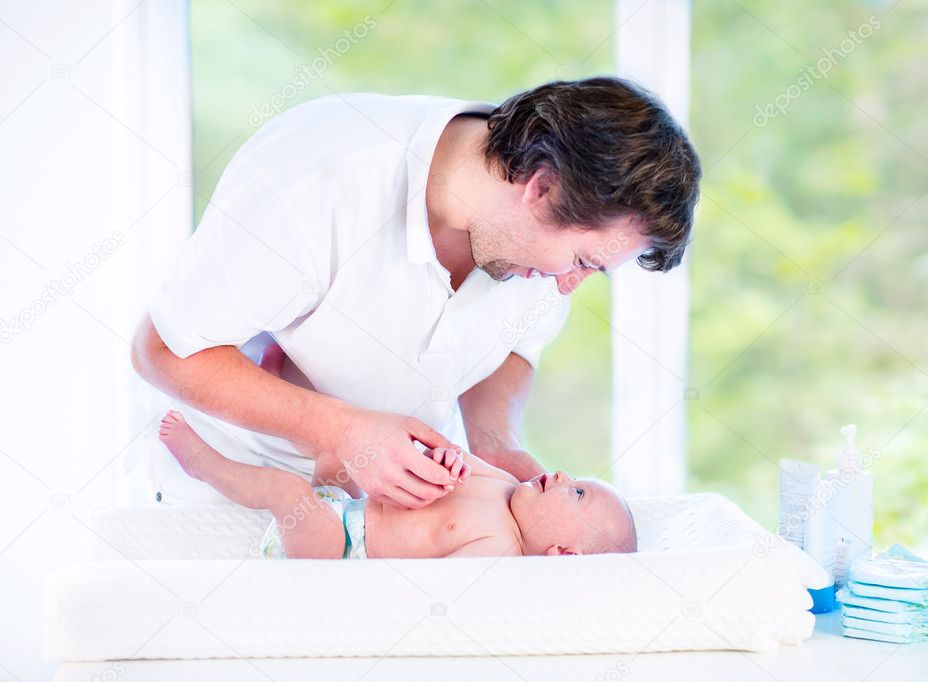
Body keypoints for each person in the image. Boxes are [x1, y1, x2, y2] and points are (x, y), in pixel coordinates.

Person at [131, 76, 702, 509]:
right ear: (542, 186)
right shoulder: (319, 179)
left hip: (395, 508)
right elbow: (161, 351)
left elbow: (513, 346)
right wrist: (344, 432)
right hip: (231, 492)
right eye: (582, 261)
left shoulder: (541, 243)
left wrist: (492, 438)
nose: (570, 284)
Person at [158, 409, 638, 559]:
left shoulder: (499, 552)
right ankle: (276, 385)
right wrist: (448, 458)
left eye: (577, 492)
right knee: (335, 451)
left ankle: (204, 463)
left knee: (288, 494)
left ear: (561, 555)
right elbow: (459, 456)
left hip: (342, 551)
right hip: (349, 506)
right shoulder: (506, 485)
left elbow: (432, 590)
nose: (560, 475)